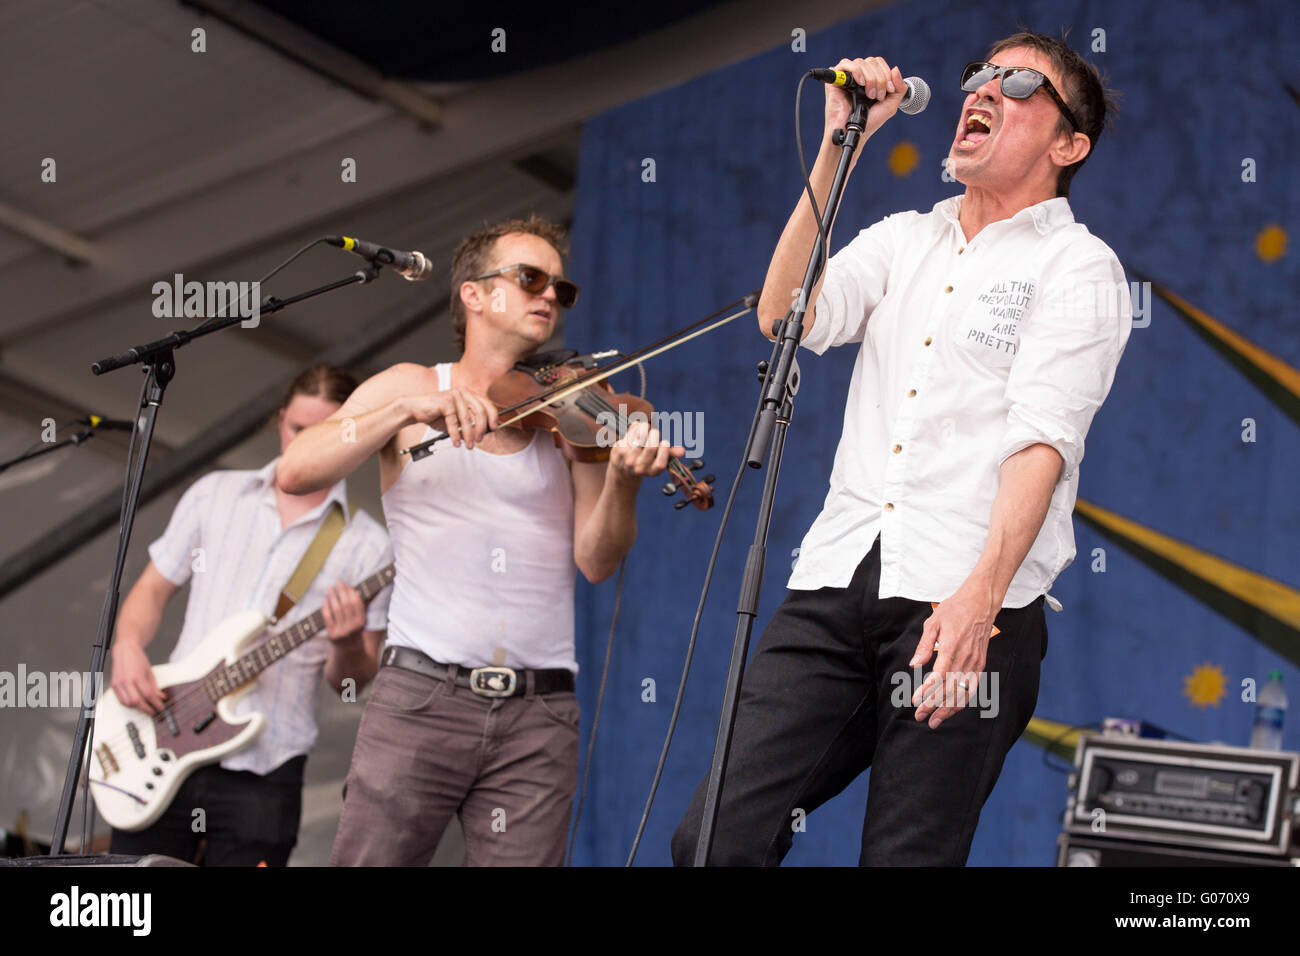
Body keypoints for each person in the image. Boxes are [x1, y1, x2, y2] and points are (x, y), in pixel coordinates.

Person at [672, 32, 1131, 866]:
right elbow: (785, 318)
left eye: (1019, 81)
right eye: (979, 74)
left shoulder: (1078, 264)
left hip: (968, 605)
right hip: (837, 582)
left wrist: (981, 601)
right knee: (711, 843)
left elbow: (1042, 442)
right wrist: (839, 146)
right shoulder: (901, 237)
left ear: (1069, 145)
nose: (983, 89)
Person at [277, 216, 682, 866]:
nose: (549, 295)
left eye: (560, 288)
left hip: (540, 715)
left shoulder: (570, 412)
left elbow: (596, 560)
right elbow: (296, 471)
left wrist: (624, 486)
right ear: (473, 294)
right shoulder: (409, 387)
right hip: (421, 697)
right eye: (530, 279)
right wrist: (406, 410)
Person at [108, 364, 392, 866]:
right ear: (279, 421)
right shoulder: (215, 494)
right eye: (297, 429)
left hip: (266, 771)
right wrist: (127, 649)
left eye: (324, 432)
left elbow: (352, 679)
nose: (306, 442)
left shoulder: (371, 546)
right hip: (161, 733)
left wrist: (347, 643)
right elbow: (152, 590)